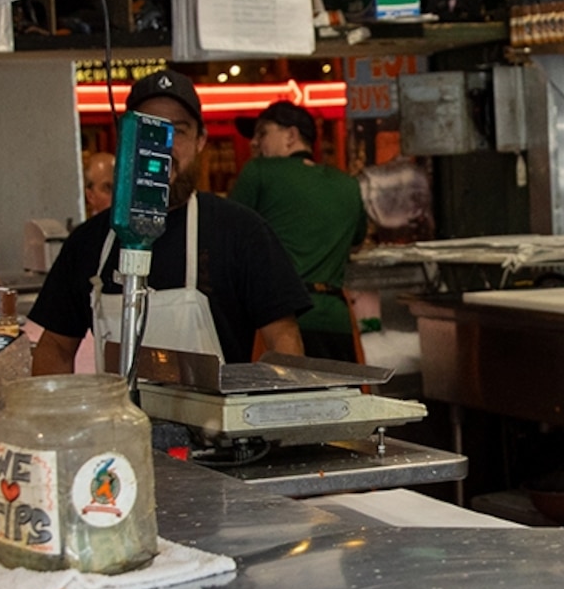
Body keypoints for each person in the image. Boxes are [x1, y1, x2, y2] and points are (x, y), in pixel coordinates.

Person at [29, 70, 310, 374]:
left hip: (216, 421)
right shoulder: (89, 242)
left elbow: (284, 340)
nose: (164, 145)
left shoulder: (241, 231)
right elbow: (55, 347)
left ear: (200, 140)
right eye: (151, 129)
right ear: (127, 138)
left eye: (178, 130)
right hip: (118, 419)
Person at [231, 100, 367, 361]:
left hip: (279, 323)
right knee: (341, 400)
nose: (254, 143)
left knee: (281, 401)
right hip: (335, 319)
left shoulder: (259, 171)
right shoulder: (348, 185)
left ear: (291, 136)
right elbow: (357, 242)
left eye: (262, 133)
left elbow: (229, 237)